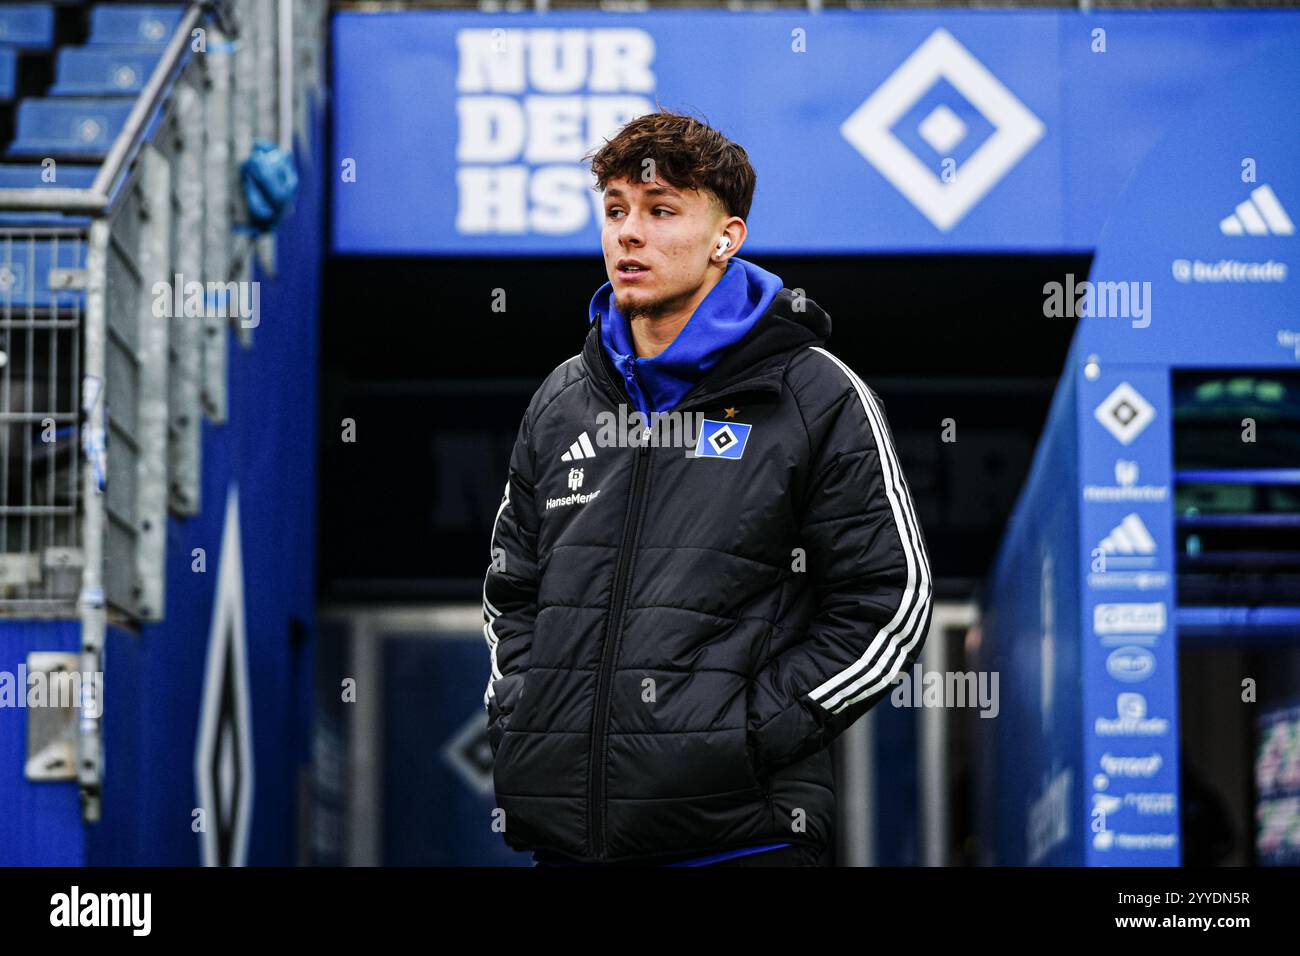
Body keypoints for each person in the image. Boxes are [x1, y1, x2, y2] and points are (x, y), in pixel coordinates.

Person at [482, 108, 933, 867]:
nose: (630, 234)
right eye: (617, 211)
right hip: (570, 846)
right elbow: (510, 590)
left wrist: (742, 737)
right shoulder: (562, 400)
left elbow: (891, 601)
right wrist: (525, 713)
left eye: (662, 212)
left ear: (727, 238)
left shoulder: (813, 393)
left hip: (742, 841)